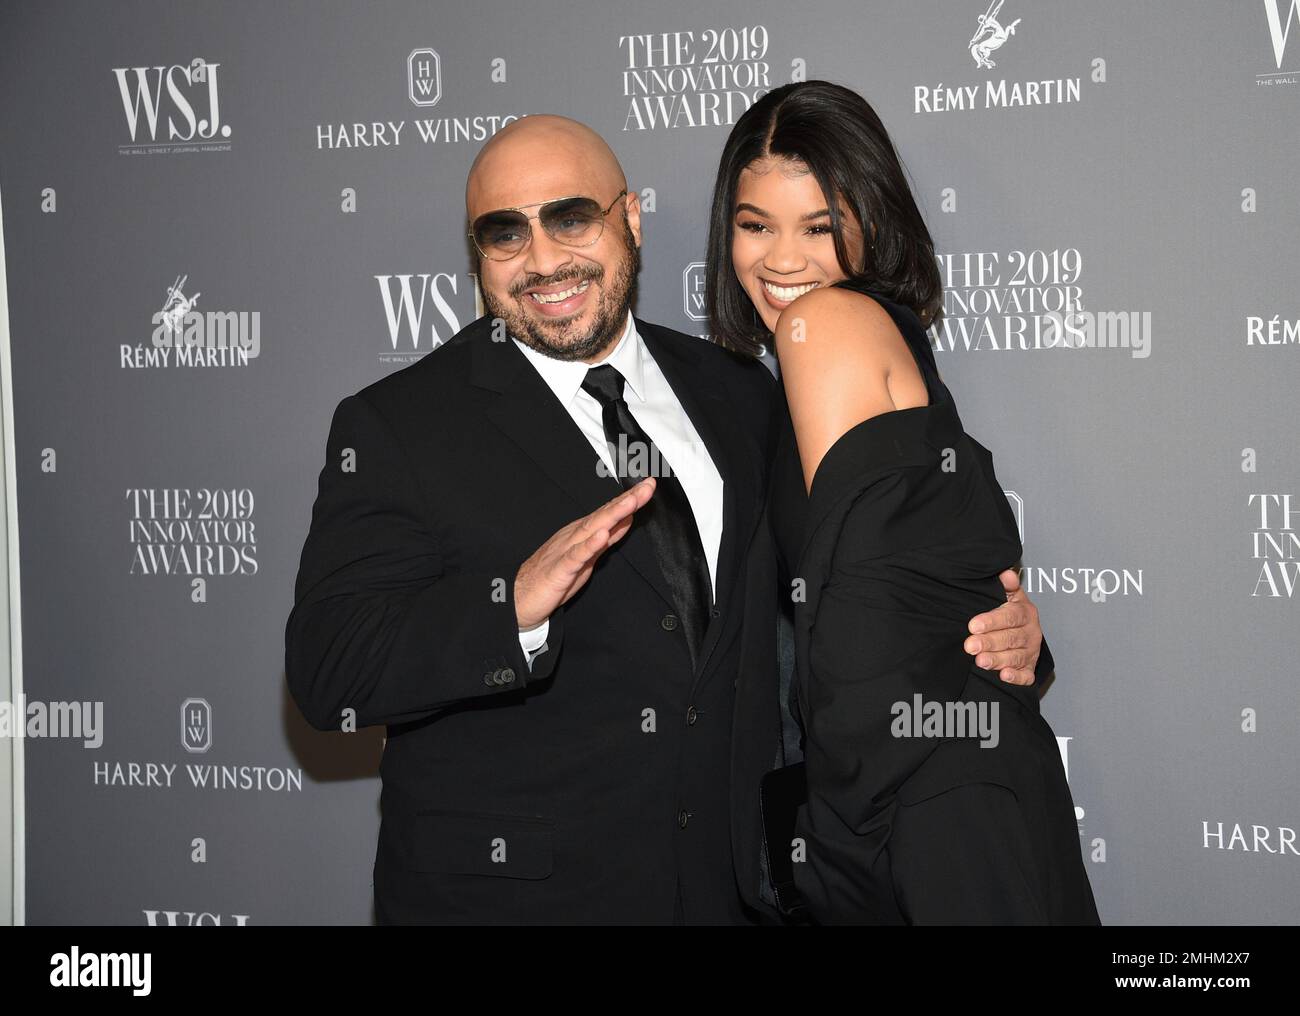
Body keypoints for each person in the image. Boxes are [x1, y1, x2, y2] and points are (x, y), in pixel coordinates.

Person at [285, 113, 1051, 925]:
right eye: (504, 234)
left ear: (631, 218)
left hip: (731, 894)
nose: (544, 261)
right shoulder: (399, 425)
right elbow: (329, 671)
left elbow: (846, 592)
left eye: (571, 218)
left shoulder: (743, 391)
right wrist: (511, 608)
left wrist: (1001, 642)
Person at [708, 81, 1099, 924]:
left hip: (915, 800)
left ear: (872, 220)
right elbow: (923, 572)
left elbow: (852, 624)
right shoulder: (878, 341)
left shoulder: (820, 329)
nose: (781, 259)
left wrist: (833, 846)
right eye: (754, 225)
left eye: (819, 225)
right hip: (961, 775)